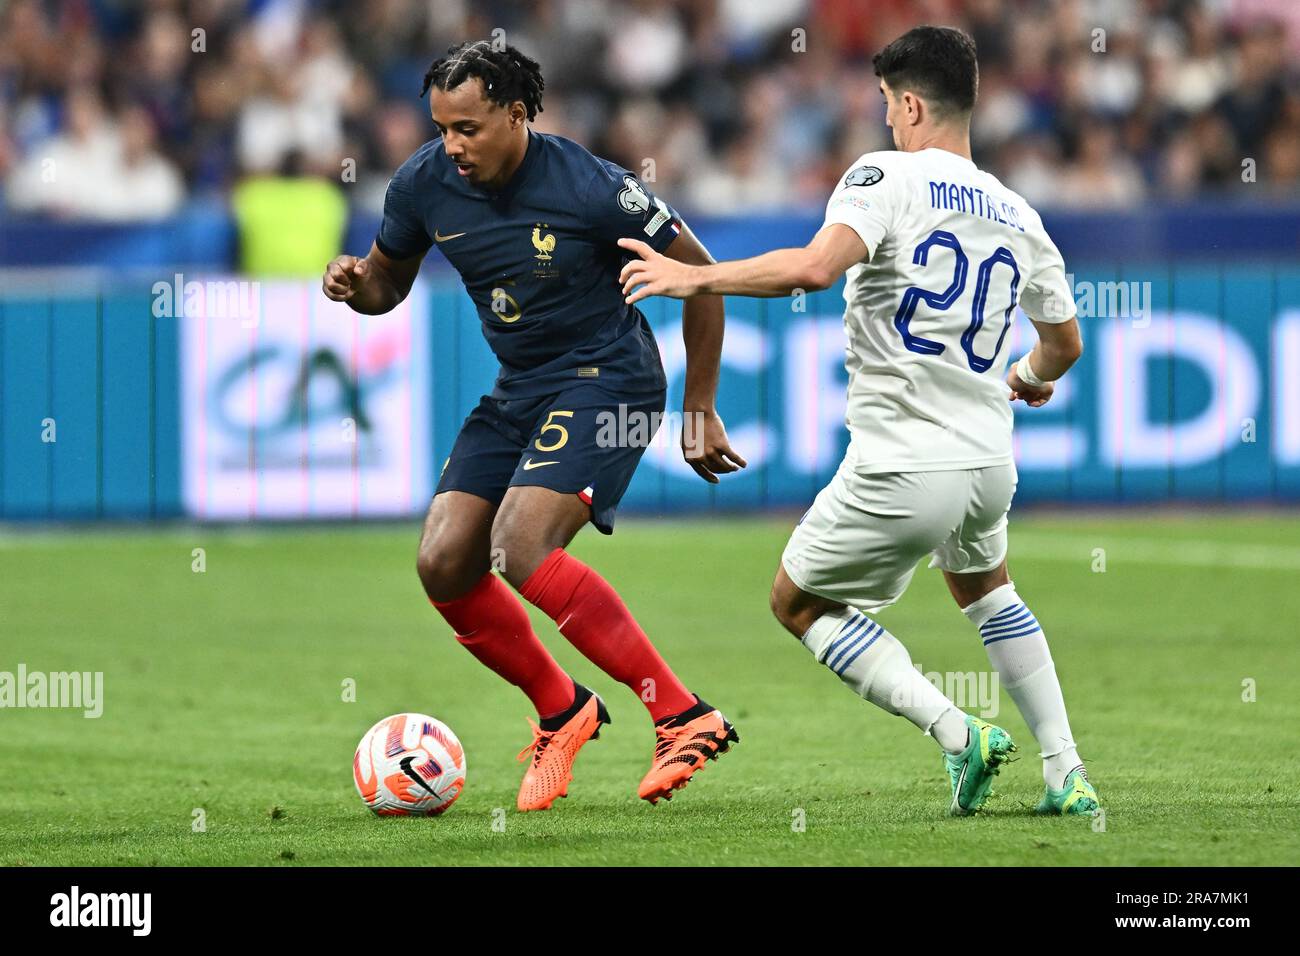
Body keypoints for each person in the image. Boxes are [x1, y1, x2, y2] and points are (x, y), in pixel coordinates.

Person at [617, 25, 1098, 817]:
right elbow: (1065, 344)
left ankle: (955, 732)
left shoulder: (885, 176)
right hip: (987, 464)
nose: (884, 119)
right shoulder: (1020, 213)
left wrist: (691, 278)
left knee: (796, 602)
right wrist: (1026, 377)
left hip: (905, 461)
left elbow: (812, 267)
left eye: (885, 103)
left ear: (910, 104)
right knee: (989, 593)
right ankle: (1065, 769)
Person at [323, 41, 746, 811]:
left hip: (610, 380)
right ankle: (564, 710)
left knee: (519, 546)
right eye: (442, 128)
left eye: (469, 129)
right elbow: (388, 283)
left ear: (517, 115)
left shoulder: (592, 188)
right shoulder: (423, 183)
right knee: (445, 560)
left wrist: (700, 407)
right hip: (521, 387)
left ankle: (682, 714)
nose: (452, 147)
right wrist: (356, 284)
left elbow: (701, 280)